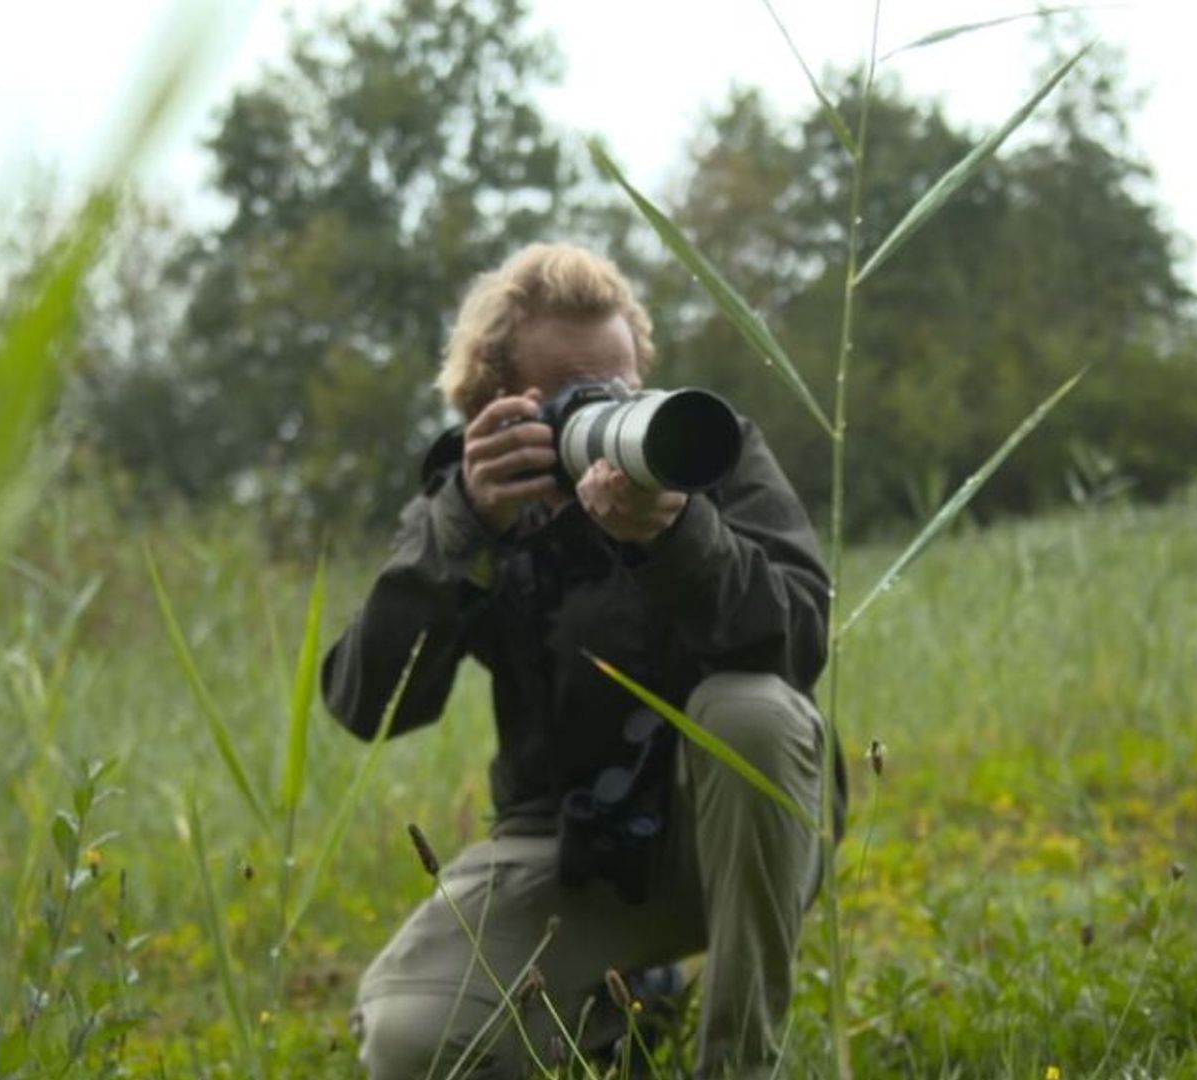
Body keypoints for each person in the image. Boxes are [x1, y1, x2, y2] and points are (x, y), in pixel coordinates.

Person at [321, 242, 841, 1079]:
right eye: (574, 395)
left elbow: (802, 641)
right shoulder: (469, 502)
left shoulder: (704, 452)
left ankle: (741, 1067)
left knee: (748, 711)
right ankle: (621, 1006)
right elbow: (366, 704)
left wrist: (676, 536)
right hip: (567, 842)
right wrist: (465, 529)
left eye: (623, 388)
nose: (609, 410)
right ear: (496, 407)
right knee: (413, 1044)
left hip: (738, 828)